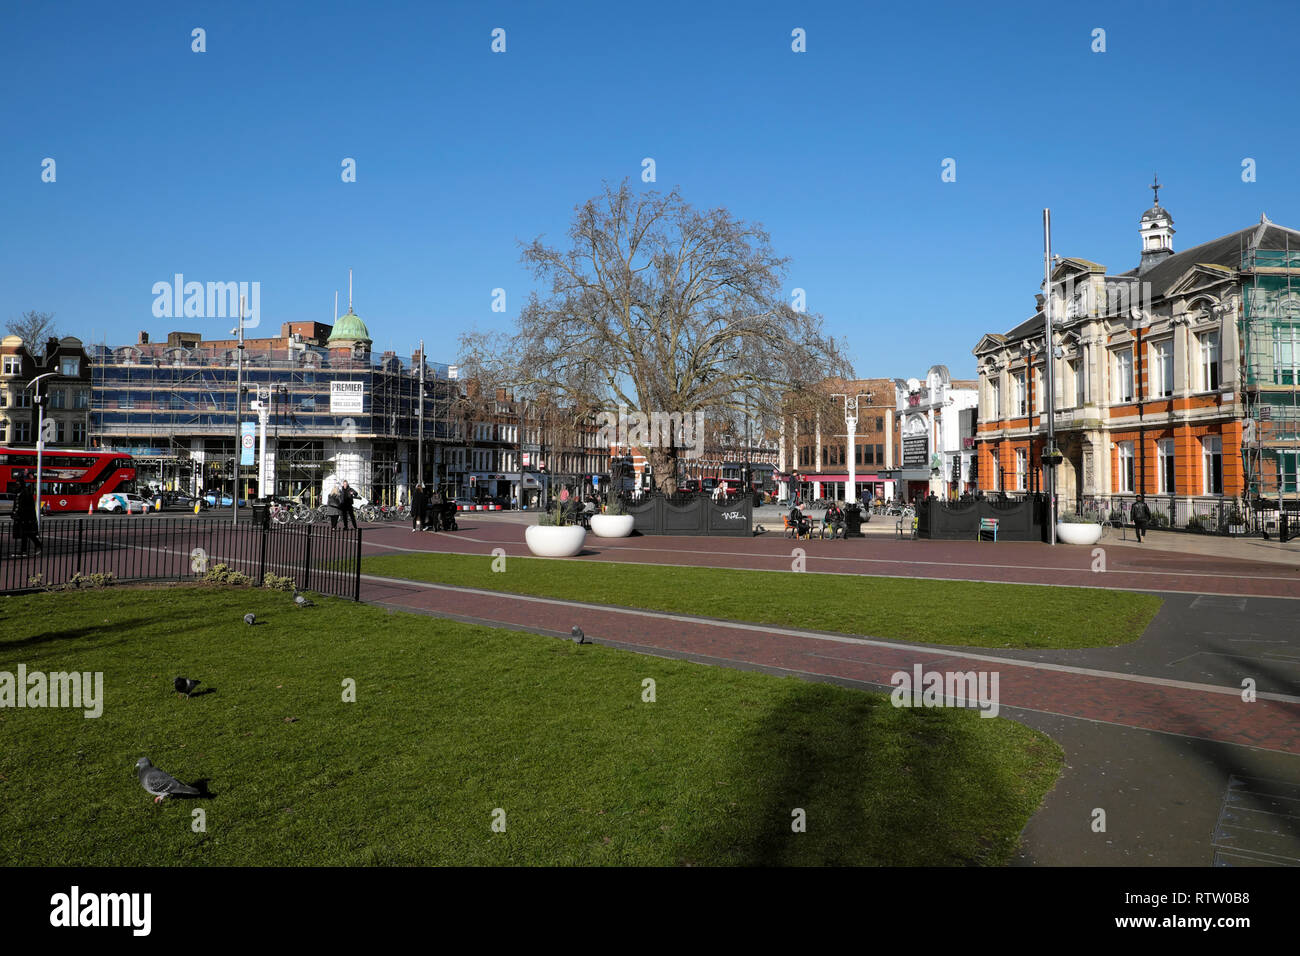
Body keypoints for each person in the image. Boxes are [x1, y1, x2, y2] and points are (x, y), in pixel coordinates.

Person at [12, 479, 42, 556]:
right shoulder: (18, 493)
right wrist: (14, 513)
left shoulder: (26, 493)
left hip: (25, 517)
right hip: (20, 517)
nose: (16, 486)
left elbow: (27, 506)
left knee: (26, 533)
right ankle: (25, 550)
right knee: (25, 534)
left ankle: (26, 549)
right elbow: (16, 505)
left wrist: (22, 514)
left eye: (18, 484)